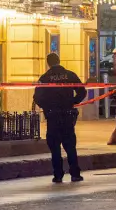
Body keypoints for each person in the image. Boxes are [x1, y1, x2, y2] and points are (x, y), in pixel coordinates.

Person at [34, 53, 86, 183]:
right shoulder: (69, 75)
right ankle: (75, 173)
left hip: (53, 116)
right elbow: (82, 91)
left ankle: (58, 175)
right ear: (59, 61)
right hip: (67, 114)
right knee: (70, 146)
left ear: (48, 63)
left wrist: (47, 107)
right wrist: (73, 102)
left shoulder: (45, 78)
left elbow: (37, 97)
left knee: (55, 147)